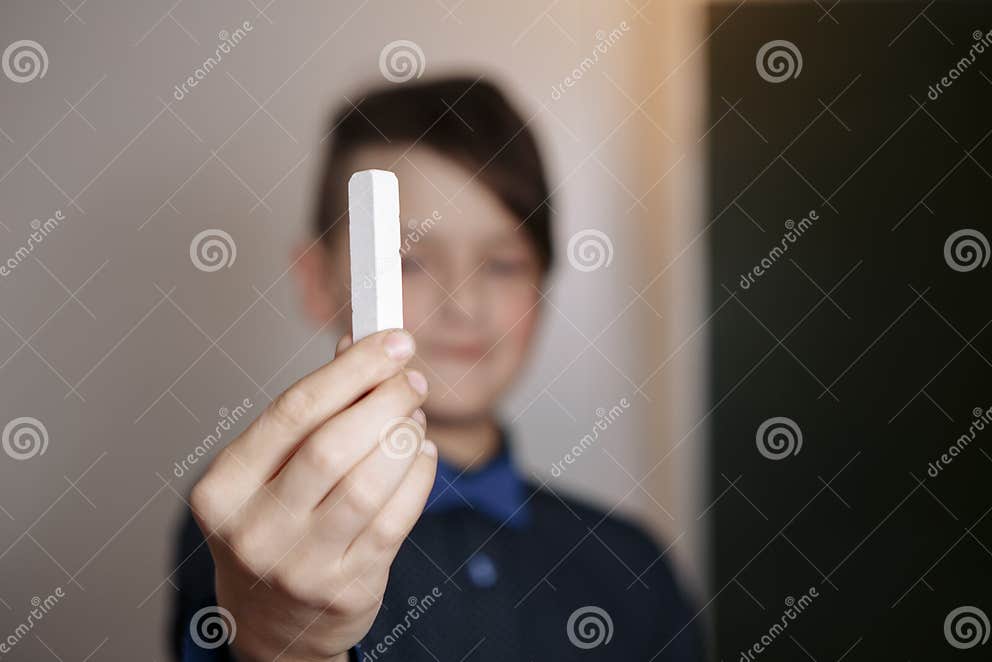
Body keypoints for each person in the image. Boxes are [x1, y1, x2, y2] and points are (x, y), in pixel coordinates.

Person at [169, 75, 704, 662]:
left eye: (501, 264)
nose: (462, 305)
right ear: (317, 281)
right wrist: (285, 643)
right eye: (411, 261)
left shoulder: (632, 565)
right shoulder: (255, 533)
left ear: (543, 288)